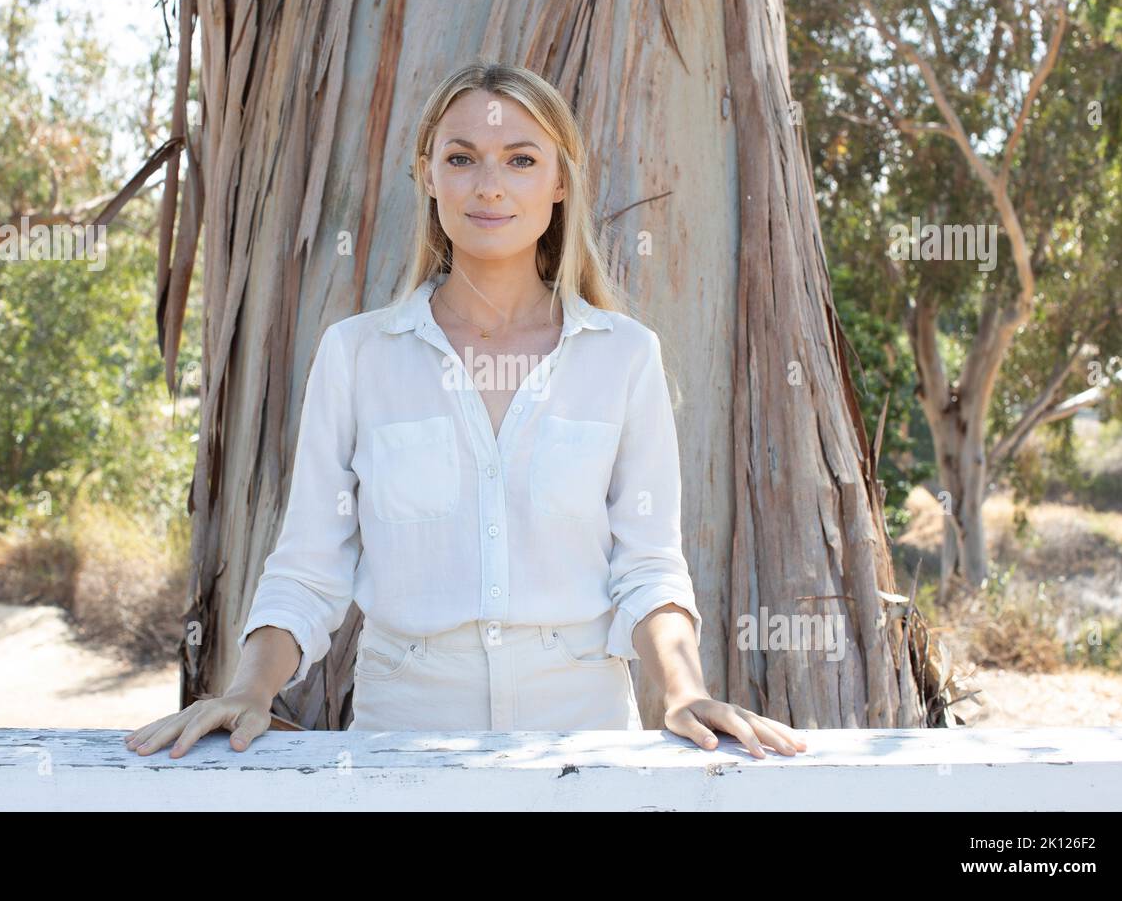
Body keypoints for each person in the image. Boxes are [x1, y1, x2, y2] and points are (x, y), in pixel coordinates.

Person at [125, 61, 806, 760]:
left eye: (521, 159)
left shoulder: (624, 355)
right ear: (427, 174)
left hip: (587, 748)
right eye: (461, 158)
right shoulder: (357, 354)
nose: (489, 185)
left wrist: (684, 691)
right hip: (401, 751)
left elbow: (648, 565)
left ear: (561, 181)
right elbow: (309, 567)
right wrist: (249, 689)